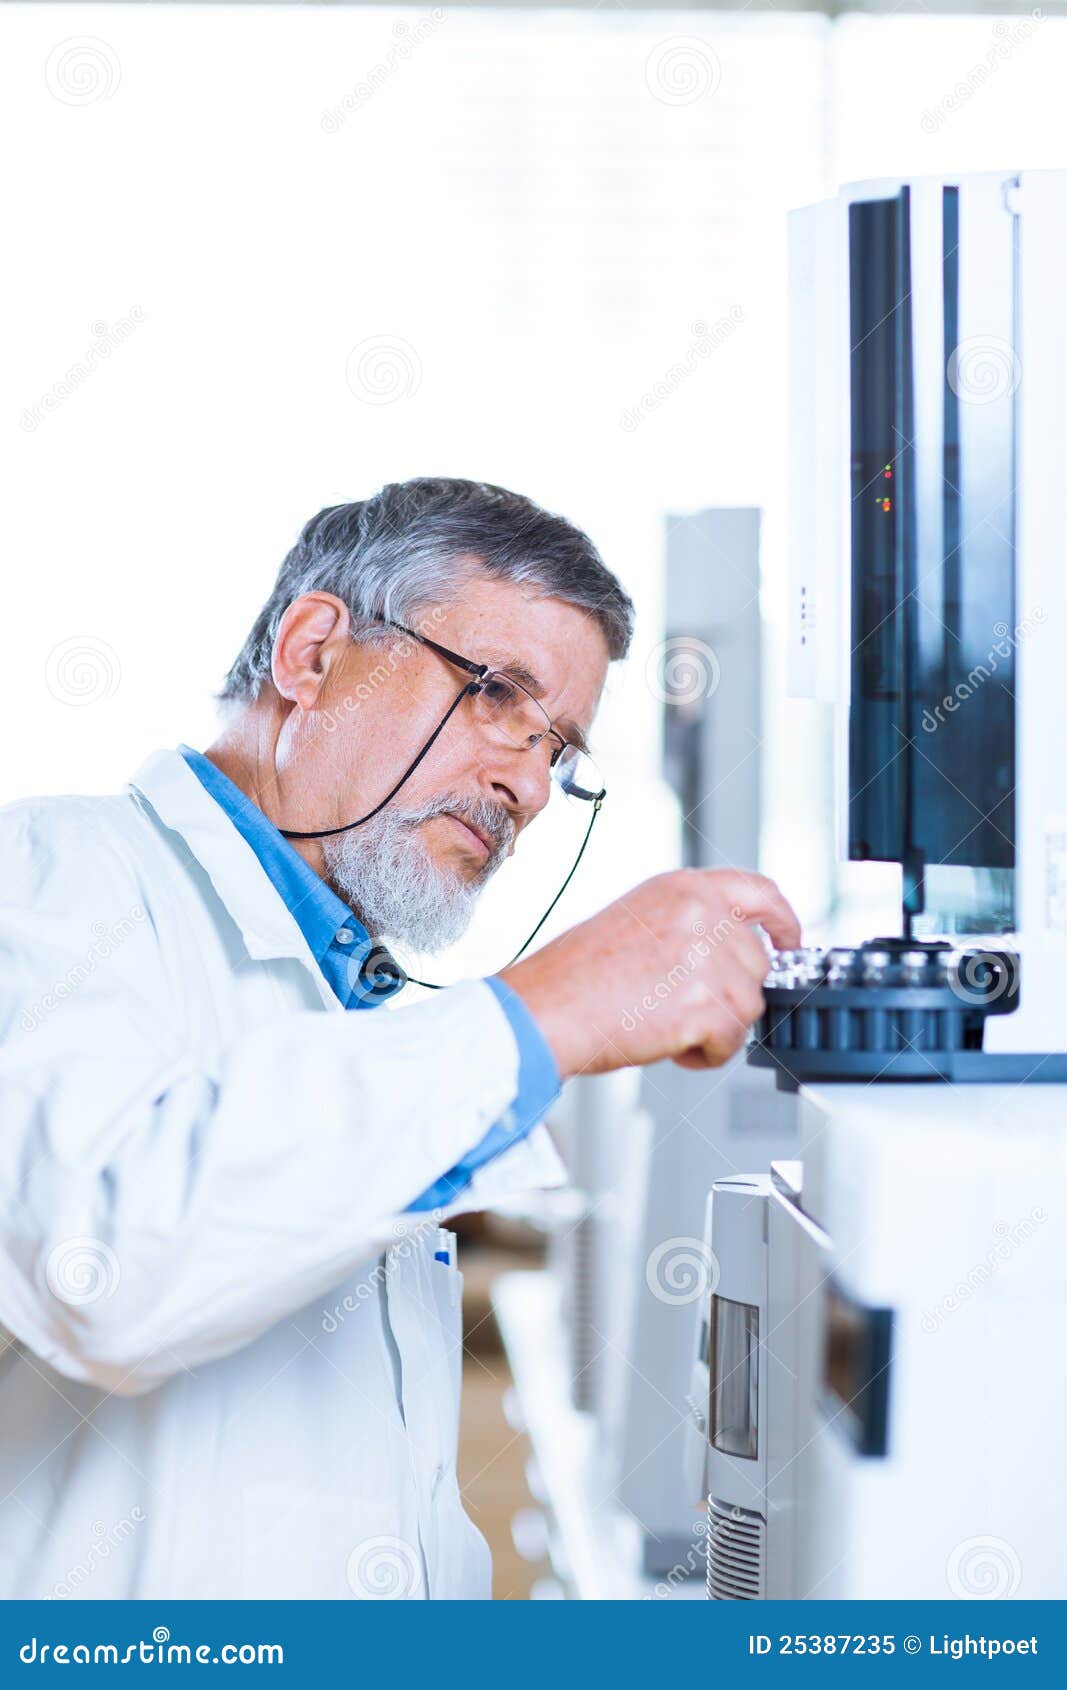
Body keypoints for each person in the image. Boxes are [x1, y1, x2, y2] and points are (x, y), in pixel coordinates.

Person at [0, 477, 799, 1599]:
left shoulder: (347, 1003)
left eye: (557, 750)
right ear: (312, 651)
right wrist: (547, 1010)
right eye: (494, 696)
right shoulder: (52, 873)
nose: (524, 783)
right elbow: (105, 1261)